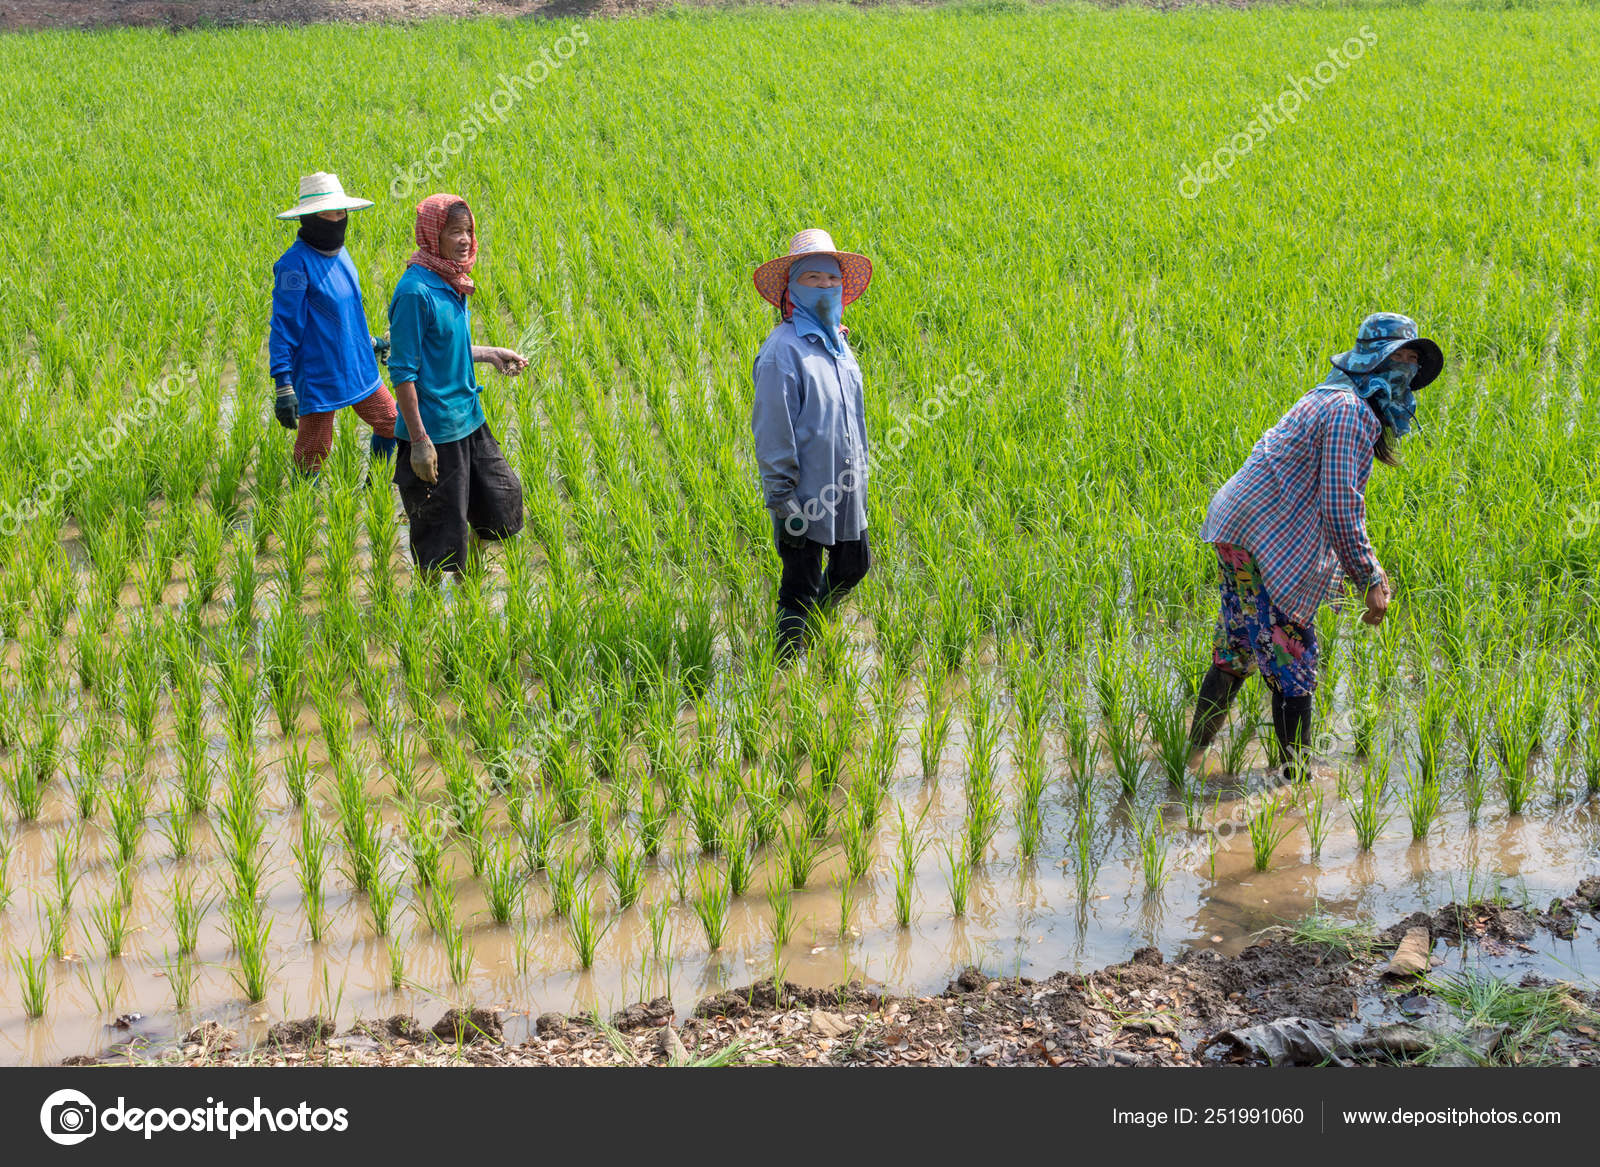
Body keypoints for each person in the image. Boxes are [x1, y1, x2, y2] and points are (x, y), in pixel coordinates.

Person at [1187, 312, 1444, 783]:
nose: (1407, 370)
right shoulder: (1351, 411)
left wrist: (1360, 567)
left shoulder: (1330, 396)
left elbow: (1329, 499)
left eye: (1412, 361)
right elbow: (1340, 503)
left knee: (1239, 647)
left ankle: (1190, 755)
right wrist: (1368, 576)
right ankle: (1293, 786)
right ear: (1373, 361)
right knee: (1293, 656)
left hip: (1238, 530)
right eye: (1400, 358)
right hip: (1258, 536)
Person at [750, 228, 875, 661]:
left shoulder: (839, 342)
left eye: (831, 279)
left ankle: (813, 631)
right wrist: (783, 499)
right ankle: (783, 672)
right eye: (812, 279)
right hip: (804, 495)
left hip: (845, 487)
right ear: (792, 287)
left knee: (854, 567)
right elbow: (772, 429)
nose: (824, 287)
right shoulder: (781, 352)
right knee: (799, 588)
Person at [387, 193, 528, 575]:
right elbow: (402, 372)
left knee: (500, 501)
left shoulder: (452, 279)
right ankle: (428, 616)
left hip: (470, 419)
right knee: (438, 537)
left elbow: (447, 345)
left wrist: (491, 354)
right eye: (454, 232)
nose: (464, 239)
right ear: (433, 235)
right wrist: (419, 442)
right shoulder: (415, 292)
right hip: (436, 432)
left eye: (468, 230)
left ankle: (472, 591)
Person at [269, 171, 398, 473]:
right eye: (333, 211)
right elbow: (282, 327)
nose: (341, 218)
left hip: (357, 364)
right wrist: (283, 386)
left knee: (391, 421)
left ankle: (374, 487)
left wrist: (371, 343)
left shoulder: (341, 253)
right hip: (319, 373)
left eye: (343, 211)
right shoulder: (292, 265)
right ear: (312, 216)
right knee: (315, 448)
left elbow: (345, 313)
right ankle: (303, 513)